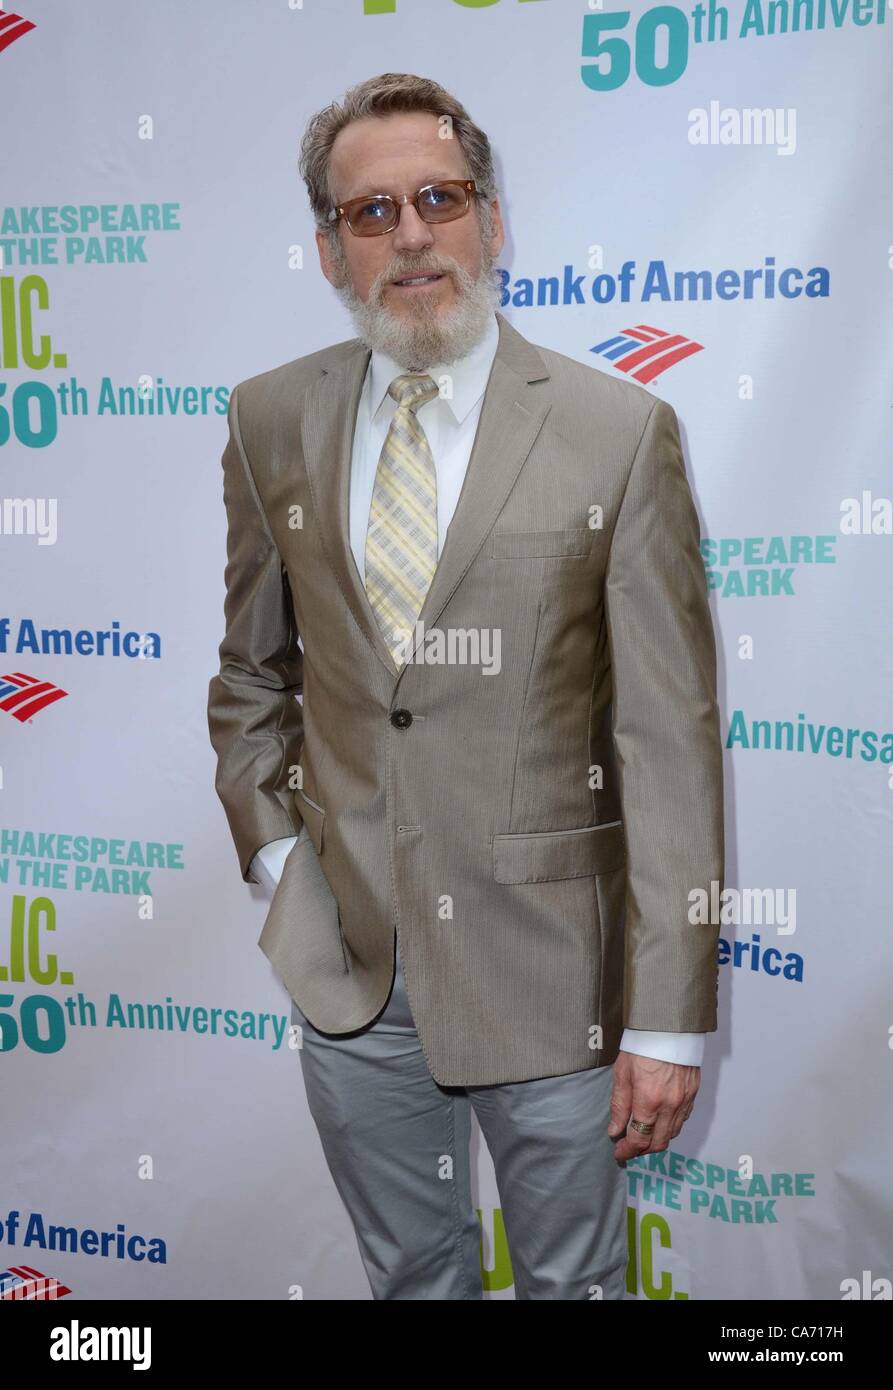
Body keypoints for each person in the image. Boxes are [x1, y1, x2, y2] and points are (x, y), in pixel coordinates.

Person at [207, 72, 724, 1300]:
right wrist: (285, 863)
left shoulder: (616, 430)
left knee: (571, 1285)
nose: (410, 234)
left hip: (551, 978)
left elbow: (664, 737)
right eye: (371, 212)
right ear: (331, 250)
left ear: (491, 219)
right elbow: (249, 675)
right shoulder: (269, 417)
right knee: (412, 1278)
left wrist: (665, 1016)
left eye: (437, 198)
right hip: (351, 978)